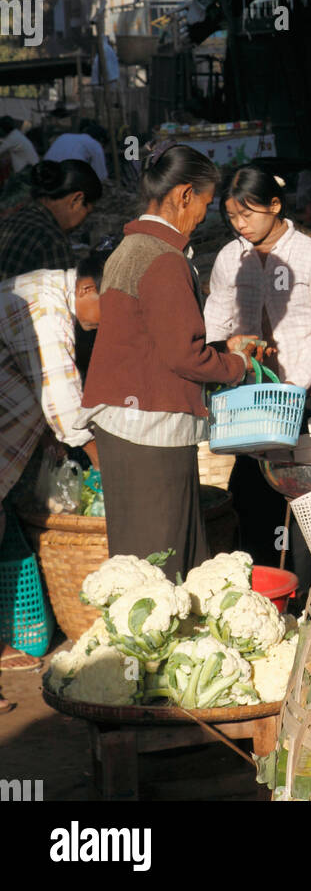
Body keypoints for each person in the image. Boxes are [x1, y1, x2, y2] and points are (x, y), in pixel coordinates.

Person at [78, 143, 259, 577]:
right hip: (149, 429)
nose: (202, 215)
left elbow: (158, 342)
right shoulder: (163, 259)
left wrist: (220, 351)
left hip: (126, 423)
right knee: (162, 561)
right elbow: (183, 355)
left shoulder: (132, 246)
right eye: (204, 203)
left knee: (141, 559)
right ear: (183, 195)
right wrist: (237, 365)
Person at [204, 163, 311, 580]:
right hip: (249, 399)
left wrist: (294, 383)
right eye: (233, 217)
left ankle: (308, 592)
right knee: (252, 494)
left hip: (304, 395)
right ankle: (260, 583)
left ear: (275, 206)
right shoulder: (229, 259)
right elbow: (216, 323)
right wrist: (227, 354)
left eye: (249, 214)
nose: (241, 225)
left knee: (307, 497)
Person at [0, 252, 105, 701]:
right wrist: (108, 468)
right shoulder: (46, 306)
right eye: (110, 310)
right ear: (86, 289)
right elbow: (64, 405)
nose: (107, 325)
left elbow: (33, 382)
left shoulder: (54, 296)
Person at [0, 160, 102, 281]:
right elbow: (61, 297)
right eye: (87, 213)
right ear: (76, 200)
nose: (82, 223)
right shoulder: (53, 241)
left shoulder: (9, 222)